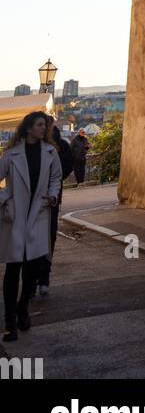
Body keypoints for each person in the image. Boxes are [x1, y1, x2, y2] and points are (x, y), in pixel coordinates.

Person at [0, 111, 62, 342]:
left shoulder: (50, 153)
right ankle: (9, 323)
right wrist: (6, 198)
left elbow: (56, 178)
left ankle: (22, 308)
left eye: (44, 125)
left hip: (38, 215)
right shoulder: (12, 154)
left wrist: (53, 196)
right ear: (28, 129)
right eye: (39, 125)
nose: (43, 128)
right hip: (15, 217)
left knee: (33, 270)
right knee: (13, 269)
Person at [35, 121, 73, 298]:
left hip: (51, 198)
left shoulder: (60, 146)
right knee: (40, 237)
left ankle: (42, 277)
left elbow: (64, 170)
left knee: (47, 236)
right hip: (45, 198)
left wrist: (52, 185)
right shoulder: (37, 145)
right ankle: (38, 277)